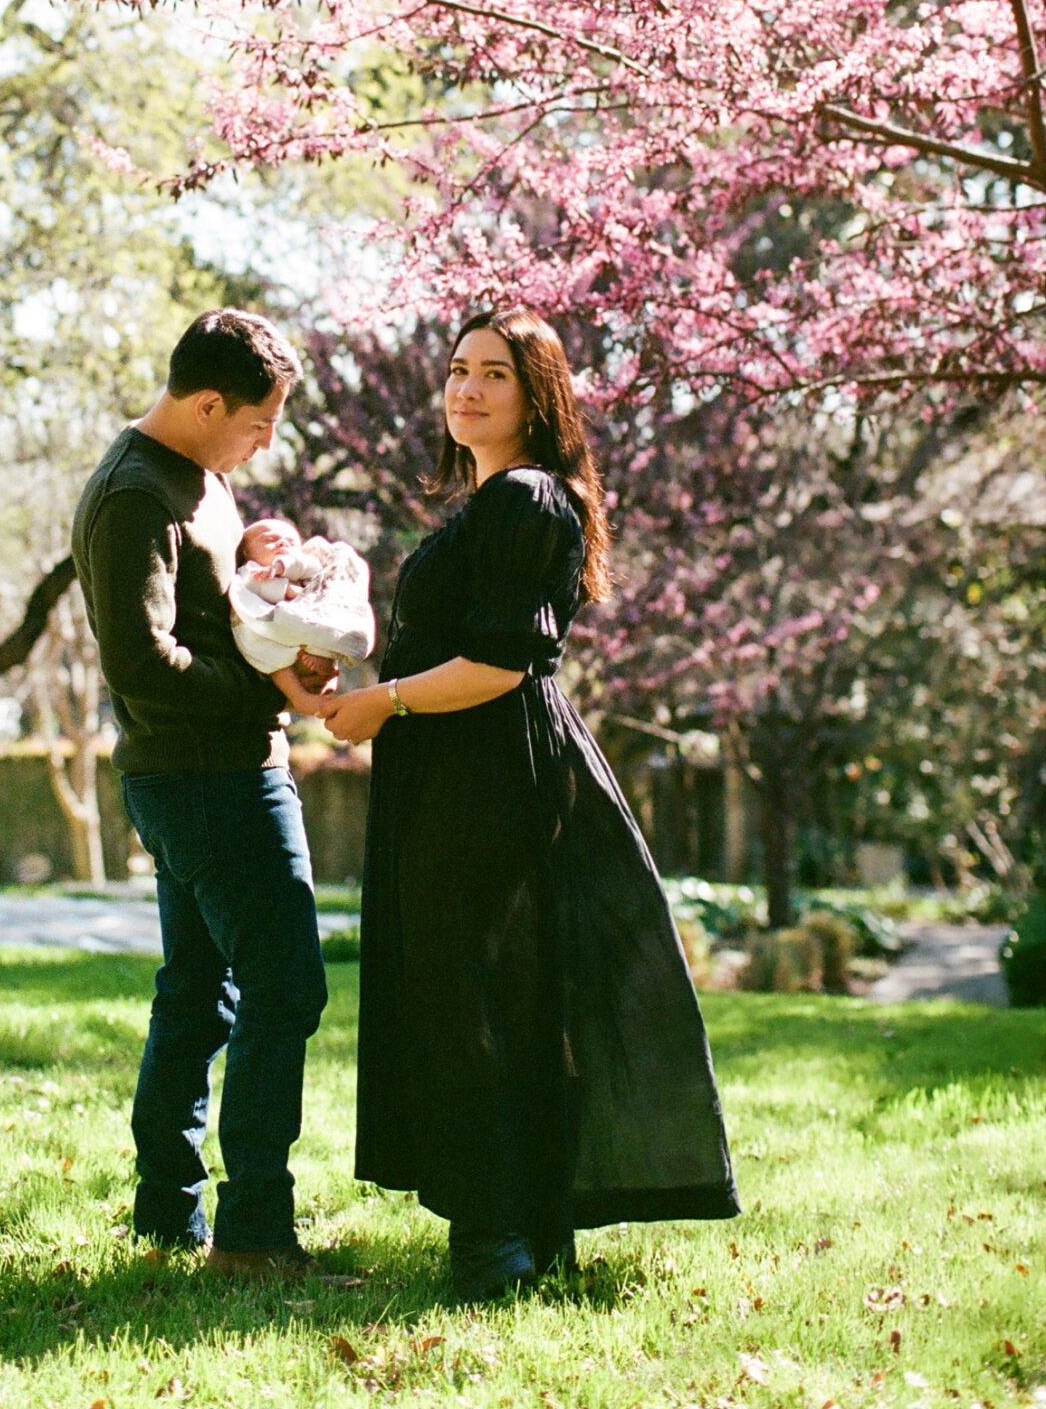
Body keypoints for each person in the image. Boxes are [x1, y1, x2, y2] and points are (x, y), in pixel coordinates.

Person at [322, 306, 741, 1300]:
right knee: (478, 990)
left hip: (489, 774)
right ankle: (510, 1226)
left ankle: (495, 1236)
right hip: (449, 766)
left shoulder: (525, 496)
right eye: (456, 369)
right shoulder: (485, 500)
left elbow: (502, 663)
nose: (465, 388)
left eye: (493, 374)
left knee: (473, 993)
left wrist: (382, 700)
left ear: (535, 394)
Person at [71, 309, 331, 1280]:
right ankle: (255, 1234)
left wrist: (260, 550)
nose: (264, 442)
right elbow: (145, 664)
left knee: (197, 993)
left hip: (210, 769)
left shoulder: (201, 477)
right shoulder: (132, 494)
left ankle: (164, 1218)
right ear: (206, 401)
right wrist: (274, 688)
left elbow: (207, 606)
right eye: (257, 423)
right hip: (205, 778)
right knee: (284, 984)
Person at [229, 517, 375, 692]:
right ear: (246, 552)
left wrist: (284, 566)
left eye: (291, 542)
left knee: (326, 623)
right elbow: (255, 586)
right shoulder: (251, 571)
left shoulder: (302, 567)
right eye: (270, 539)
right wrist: (288, 589)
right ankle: (300, 696)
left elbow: (312, 568)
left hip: (309, 620)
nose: (282, 544)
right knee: (279, 667)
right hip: (276, 631)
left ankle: (325, 659)